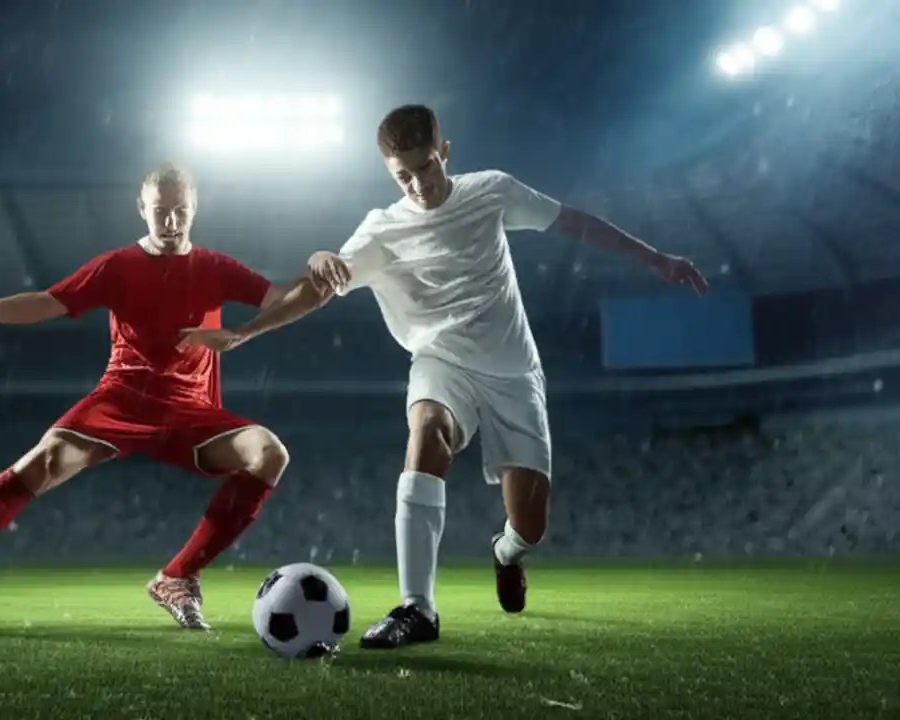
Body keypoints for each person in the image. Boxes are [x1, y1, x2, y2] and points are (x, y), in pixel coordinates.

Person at [179, 104, 709, 648]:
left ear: (445, 152)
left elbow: (574, 221)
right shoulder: (382, 231)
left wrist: (655, 259)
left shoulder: (491, 192)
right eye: (402, 176)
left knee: (530, 524)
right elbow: (317, 288)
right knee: (426, 428)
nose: (418, 184)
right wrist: (247, 332)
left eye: (426, 167)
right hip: (440, 362)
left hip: (513, 373)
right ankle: (417, 609)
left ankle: (506, 553)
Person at [0, 164, 295, 631]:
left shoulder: (217, 267)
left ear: (196, 208)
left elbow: (283, 297)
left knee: (269, 453)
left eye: (181, 212)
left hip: (191, 408)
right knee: (40, 463)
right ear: (141, 210)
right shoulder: (117, 266)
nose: (171, 223)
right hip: (122, 396)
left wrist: (322, 270)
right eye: (160, 212)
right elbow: (45, 302)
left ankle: (177, 577)